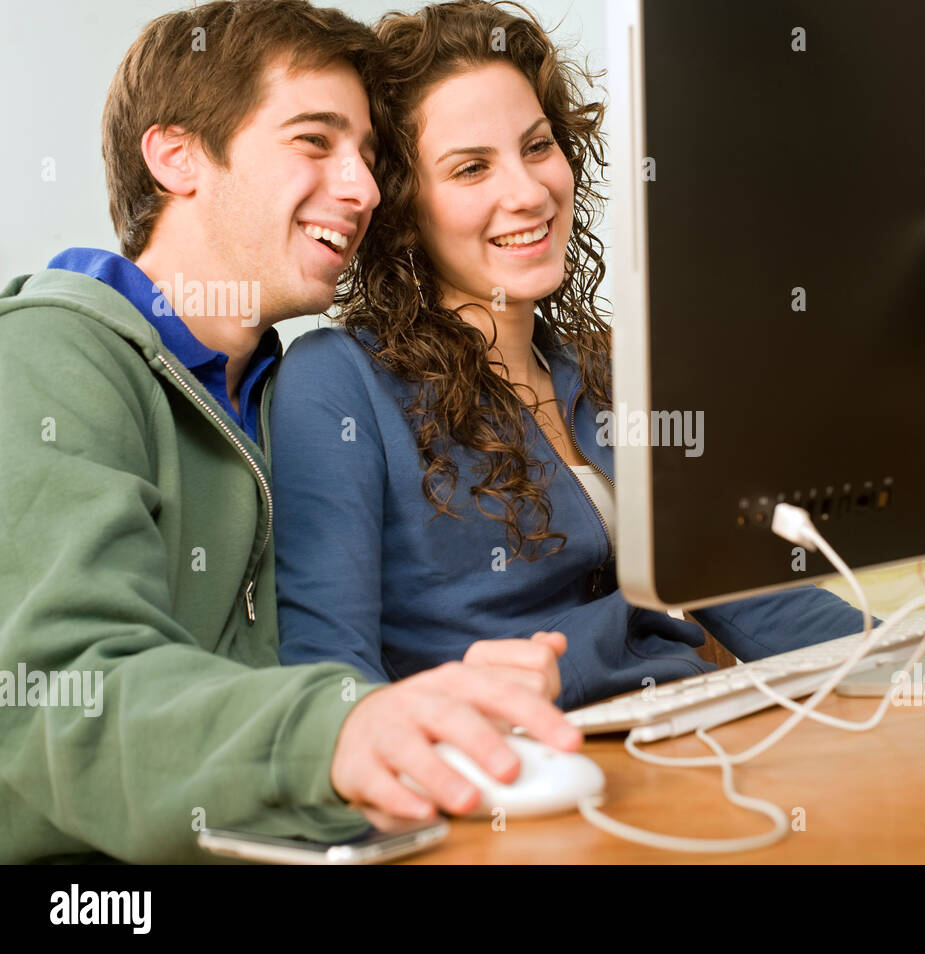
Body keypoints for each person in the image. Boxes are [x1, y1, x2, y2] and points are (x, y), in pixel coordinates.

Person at [0, 0, 578, 865]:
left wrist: (437, 700)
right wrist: (334, 735)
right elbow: (63, 692)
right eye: (315, 141)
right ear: (177, 155)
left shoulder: (275, 393)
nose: (366, 189)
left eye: (370, 157)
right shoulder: (46, 356)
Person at [270, 0, 878, 715]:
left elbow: (758, 604)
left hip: (692, 734)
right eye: (471, 169)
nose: (528, 193)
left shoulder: (611, 374)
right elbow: (330, 673)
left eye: (536, 147)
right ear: (403, 209)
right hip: (521, 777)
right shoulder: (336, 380)